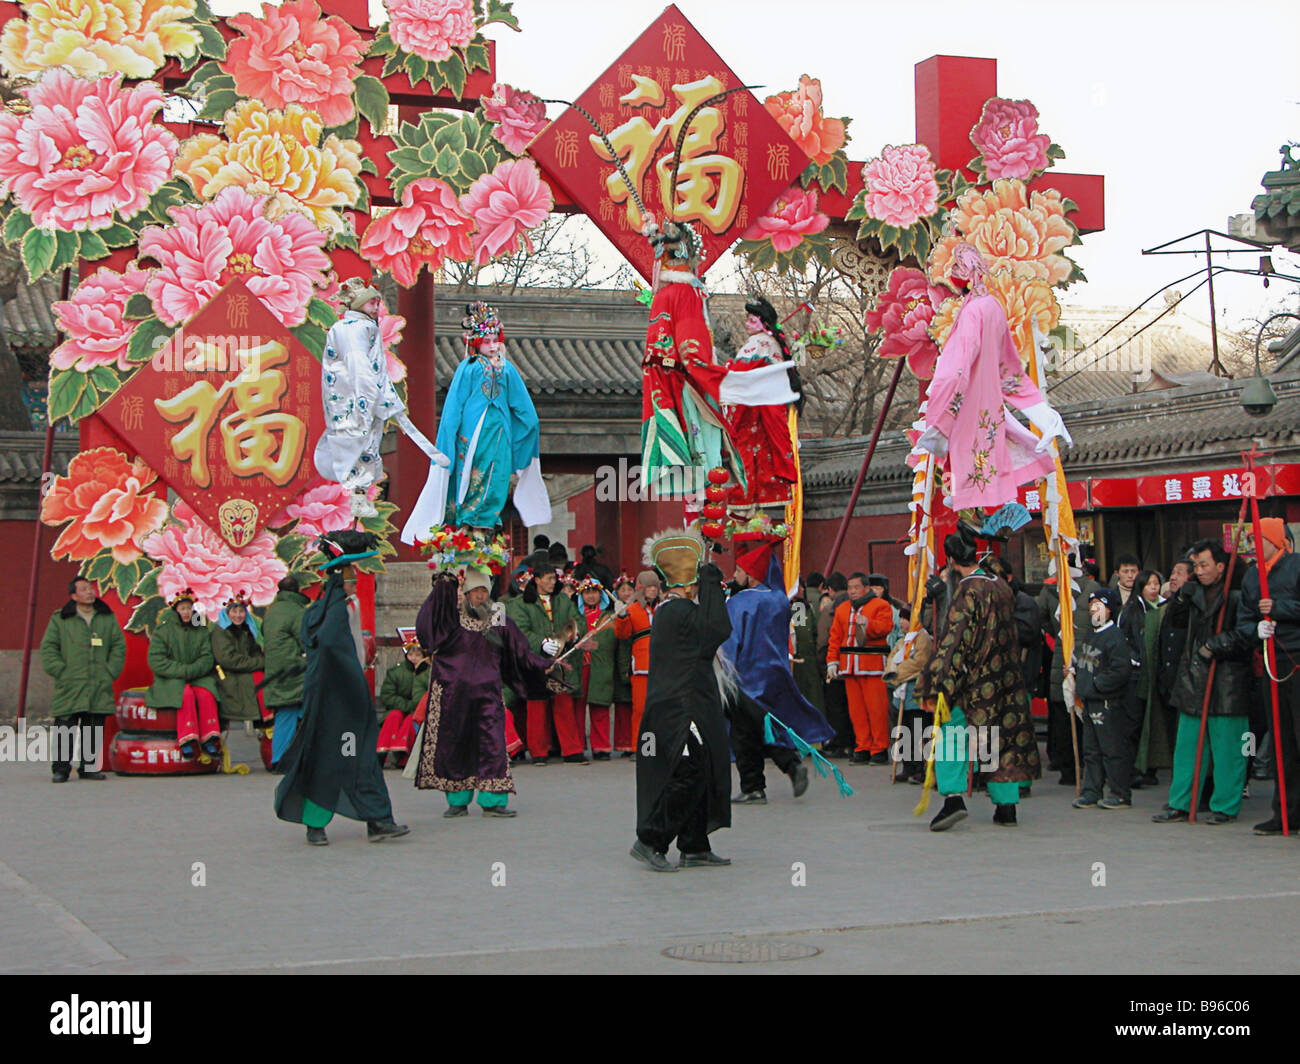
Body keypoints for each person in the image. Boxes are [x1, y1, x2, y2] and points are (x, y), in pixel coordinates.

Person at [275, 531, 409, 845]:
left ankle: (377, 821)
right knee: (334, 760)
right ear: (341, 584)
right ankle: (321, 825)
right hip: (336, 702)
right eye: (351, 581)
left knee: (352, 759)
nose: (354, 585)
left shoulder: (331, 610)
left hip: (338, 700)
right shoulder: (335, 612)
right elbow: (338, 654)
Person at [915, 242, 1070, 510]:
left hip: (969, 394)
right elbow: (1006, 364)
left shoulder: (973, 311)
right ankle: (1047, 421)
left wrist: (946, 402)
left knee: (968, 450)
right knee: (990, 444)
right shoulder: (992, 306)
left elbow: (960, 365)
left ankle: (978, 501)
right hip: (988, 393)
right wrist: (1037, 410)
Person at [918, 527, 1041, 829]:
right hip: (1006, 676)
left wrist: (937, 679)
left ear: (951, 561)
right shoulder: (999, 585)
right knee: (1002, 740)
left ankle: (953, 799)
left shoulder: (967, 590)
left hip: (973, 681)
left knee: (952, 736)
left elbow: (955, 640)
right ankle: (1007, 806)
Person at [412, 565, 556, 818]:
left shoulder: (497, 617)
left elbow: (520, 650)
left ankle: (492, 800)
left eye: (484, 591)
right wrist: (445, 582)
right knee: (455, 745)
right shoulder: (451, 618)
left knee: (492, 745)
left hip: (488, 694)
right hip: (452, 693)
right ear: (465, 593)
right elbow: (427, 626)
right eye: (476, 591)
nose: (481, 596)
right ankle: (457, 800)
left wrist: (544, 663)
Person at [631, 528, 732, 871]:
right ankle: (651, 838)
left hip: (683, 705)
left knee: (700, 771)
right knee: (689, 774)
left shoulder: (672, 611)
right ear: (690, 584)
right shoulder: (680, 613)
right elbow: (718, 628)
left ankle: (694, 844)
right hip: (681, 710)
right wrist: (713, 581)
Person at [317, 277, 447, 520]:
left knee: (363, 445)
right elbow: (359, 367)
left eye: (377, 303)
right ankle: (356, 496)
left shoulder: (361, 327)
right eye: (371, 304)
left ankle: (359, 494)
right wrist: (371, 398)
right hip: (355, 398)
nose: (376, 308)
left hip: (360, 395)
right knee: (357, 443)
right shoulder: (353, 329)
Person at [723, 529, 830, 804]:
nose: (735, 576)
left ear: (751, 574)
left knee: (744, 732)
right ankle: (790, 764)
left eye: (738, 570)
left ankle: (754, 785)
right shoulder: (778, 600)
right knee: (769, 723)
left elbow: (731, 642)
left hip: (744, 676)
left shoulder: (740, 602)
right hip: (773, 673)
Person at [639, 220, 744, 497]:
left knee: (685, 452)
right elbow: (691, 349)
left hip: (664, 381)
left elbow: (680, 345)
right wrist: (713, 376)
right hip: (679, 381)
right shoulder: (685, 292)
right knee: (702, 453)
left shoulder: (670, 294)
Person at [1152, 539, 1253, 826]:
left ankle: (1225, 805)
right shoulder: (1194, 592)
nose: (1199, 570)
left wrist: (1217, 644)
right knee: (1187, 748)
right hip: (1194, 679)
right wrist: (1181, 596)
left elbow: (1247, 634)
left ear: (1221, 566)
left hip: (1227, 681)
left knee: (1228, 750)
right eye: (1195, 565)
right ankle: (1180, 803)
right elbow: (1175, 621)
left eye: (1204, 565)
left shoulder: (1238, 595)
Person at [1236, 518, 1300, 835]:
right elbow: (1243, 619)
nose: (1252, 544)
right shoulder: (1251, 576)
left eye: (1257, 538)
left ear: (1274, 540)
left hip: (1297, 660)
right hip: (1270, 662)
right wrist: (1255, 630)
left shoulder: (1297, 566)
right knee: (1281, 741)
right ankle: (1284, 813)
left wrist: (1278, 608)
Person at [40, 577, 123, 782]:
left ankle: (89, 767)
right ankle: (61, 769)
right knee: (64, 728)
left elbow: (118, 647)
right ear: (74, 596)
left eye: (90, 588)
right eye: (84, 589)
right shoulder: (61, 618)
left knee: (93, 726)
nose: (90, 592)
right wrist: (61, 671)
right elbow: (49, 648)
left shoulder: (106, 617)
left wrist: (109, 672)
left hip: (98, 682)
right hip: (70, 683)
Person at [722, 294, 801, 509]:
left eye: (751, 320)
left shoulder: (760, 342)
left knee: (747, 450)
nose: (747, 324)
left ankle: (745, 500)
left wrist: (725, 370)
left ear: (762, 323)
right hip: (768, 404)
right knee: (764, 454)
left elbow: (742, 371)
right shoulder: (772, 342)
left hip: (757, 407)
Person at [513, 550, 587, 765]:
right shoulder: (521, 604)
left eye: (555, 578)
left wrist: (571, 635)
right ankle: (538, 751)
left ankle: (572, 749)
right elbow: (521, 631)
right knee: (537, 708)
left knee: (563, 705)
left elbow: (578, 622)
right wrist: (542, 643)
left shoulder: (563, 601)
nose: (553, 583)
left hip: (561, 660)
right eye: (549, 579)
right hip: (536, 663)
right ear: (536, 580)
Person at [1038, 554, 1102, 785]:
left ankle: (1067, 768)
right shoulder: (1094, 588)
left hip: (1062, 654)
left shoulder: (1052, 589)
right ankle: (1086, 766)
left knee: (1063, 715)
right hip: (1088, 656)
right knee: (1086, 716)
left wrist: (1056, 632)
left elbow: (1041, 617)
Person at [1067, 588, 1134, 809]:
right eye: (1092, 605)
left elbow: (1120, 670)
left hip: (1107, 703)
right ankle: (1091, 790)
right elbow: (1080, 658)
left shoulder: (1114, 637)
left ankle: (1119, 792)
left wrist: (1096, 685)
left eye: (1100, 605)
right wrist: (1074, 672)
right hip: (1089, 701)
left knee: (1112, 749)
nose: (1094, 609)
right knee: (1091, 750)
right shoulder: (1090, 634)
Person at [826, 572, 895, 764]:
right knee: (857, 712)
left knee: (877, 710)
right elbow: (835, 637)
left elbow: (885, 627)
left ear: (866, 588)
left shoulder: (881, 605)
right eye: (850, 588)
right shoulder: (842, 609)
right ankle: (862, 746)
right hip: (850, 667)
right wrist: (832, 661)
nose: (852, 592)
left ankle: (879, 748)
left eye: (856, 587)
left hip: (872, 666)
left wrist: (869, 624)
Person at [145, 589, 219, 761]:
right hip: (170, 678)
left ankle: (210, 738)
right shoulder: (163, 631)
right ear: (176, 610)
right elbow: (156, 660)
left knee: (206, 693)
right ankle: (187, 740)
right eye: (182, 609)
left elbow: (207, 656)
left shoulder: (200, 630)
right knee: (185, 694)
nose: (186, 612)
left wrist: (193, 670)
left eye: (189, 608)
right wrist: (182, 671)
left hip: (197, 676)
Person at [1122, 569, 1172, 788]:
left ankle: (1150, 767)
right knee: (1134, 723)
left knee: (1154, 720)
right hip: (1135, 676)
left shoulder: (1164, 609)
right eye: (1149, 584)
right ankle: (1132, 769)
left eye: (1156, 584)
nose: (1154, 588)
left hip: (1156, 674)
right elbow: (1124, 641)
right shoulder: (1131, 611)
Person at [574, 576, 627, 760]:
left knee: (600, 707)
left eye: (594, 592)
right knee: (577, 709)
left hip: (602, 667)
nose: (591, 596)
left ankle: (601, 747)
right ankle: (577, 746)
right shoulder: (576, 617)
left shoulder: (609, 617)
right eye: (587, 593)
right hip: (581, 667)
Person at [261, 574, 311, 770]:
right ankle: (289, 759)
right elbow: (305, 641)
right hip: (295, 671)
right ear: (297, 591)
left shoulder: (271, 612)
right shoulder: (297, 612)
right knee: (304, 710)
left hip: (275, 670)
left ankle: (278, 758)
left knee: (285, 714)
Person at [614, 569, 662, 754]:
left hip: (662, 665)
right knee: (641, 709)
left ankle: (658, 746)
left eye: (655, 587)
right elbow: (622, 634)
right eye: (649, 587)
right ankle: (641, 747)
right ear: (642, 589)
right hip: (641, 665)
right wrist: (622, 618)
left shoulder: (664, 607)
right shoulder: (632, 609)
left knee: (659, 709)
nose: (653, 590)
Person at [884, 624, 934, 784]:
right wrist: (893, 670)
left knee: (918, 730)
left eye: (907, 619)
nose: (904, 623)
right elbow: (892, 658)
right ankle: (908, 766)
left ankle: (920, 768)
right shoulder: (902, 640)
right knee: (902, 730)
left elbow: (920, 662)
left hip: (915, 689)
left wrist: (899, 672)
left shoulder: (923, 639)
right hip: (901, 692)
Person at [210, 592, 265, 733]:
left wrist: (259, 660)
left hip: (244, 671)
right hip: (228, 675)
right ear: (227, 613)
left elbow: (255, 650)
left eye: (241, 611)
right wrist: (259, 663)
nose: (238, 615)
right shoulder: (221, 632)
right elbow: (229, 660)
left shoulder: (246, 630)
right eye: (234, 611)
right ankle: (265, 722)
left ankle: (267, 723)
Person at [376, 637, 430, 767]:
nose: (414, 658)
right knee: (394, 716)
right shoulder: (396, 672)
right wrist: (406, 705)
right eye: (411, 654)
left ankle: (401, 752)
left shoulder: (428, 673)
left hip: (417, 711)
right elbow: (388, 695)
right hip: (400, 708)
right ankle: (381, 750)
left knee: (410, 721)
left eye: (418, 655)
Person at [816, 571, 852, 756]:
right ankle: (853, 743)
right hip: (853, 663)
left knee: (835, 706)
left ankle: (839, 742)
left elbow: (823, 640)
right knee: (851, 705)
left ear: (829, 589)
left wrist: (823, 664)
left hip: (833, 663)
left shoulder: (831, 610)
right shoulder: (856, 604)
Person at [790, 577, 825, 715]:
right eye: (798, 587)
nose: (802, 590)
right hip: (801, 660)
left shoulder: (802, 607)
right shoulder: (798, 607)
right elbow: (802, 634)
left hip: (806, 659)